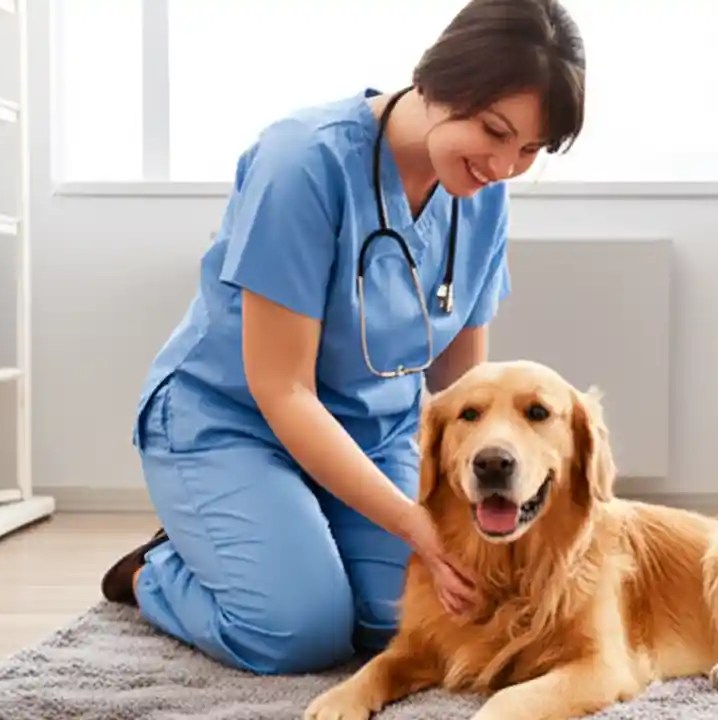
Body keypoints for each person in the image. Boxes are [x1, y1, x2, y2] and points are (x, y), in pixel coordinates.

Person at [99, 0, 586, 676]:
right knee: (298, 630)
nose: (504, 167)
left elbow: (464, 388)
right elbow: (282, 387)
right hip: (231, 422)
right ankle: (158, 569)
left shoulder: (481, 192)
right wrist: (417, 524)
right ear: (439, 82)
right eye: (495, 131)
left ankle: (283, 541)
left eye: (529, 150)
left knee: (437, 610)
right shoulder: (304, 161)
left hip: (373, 432)